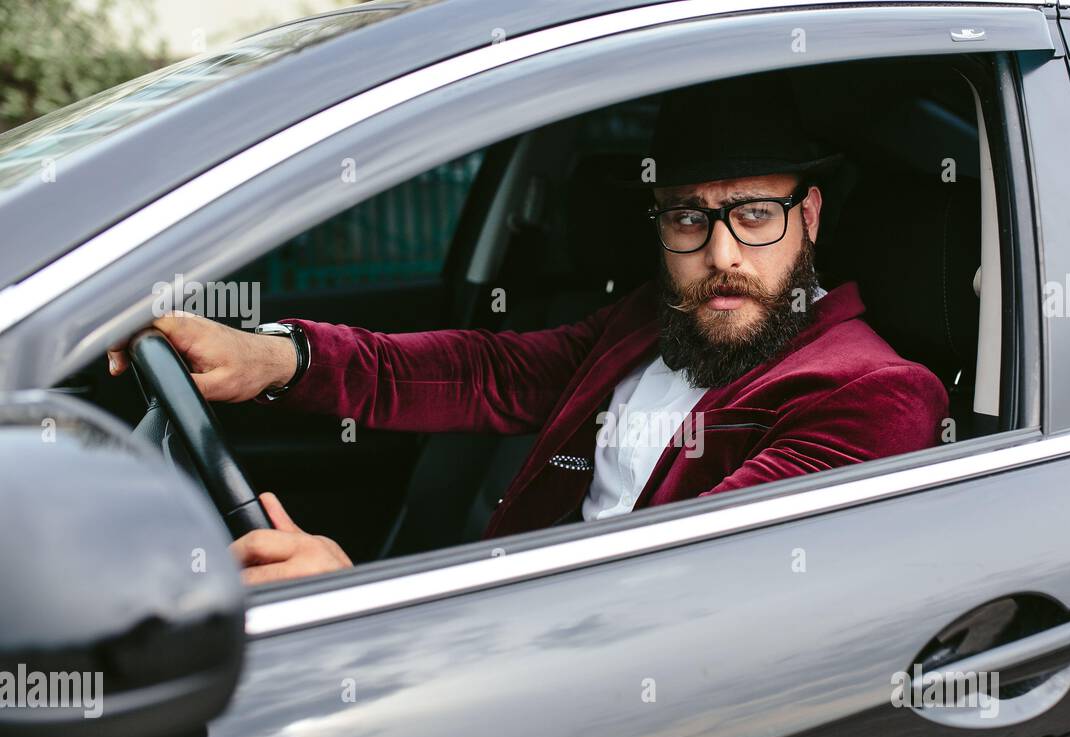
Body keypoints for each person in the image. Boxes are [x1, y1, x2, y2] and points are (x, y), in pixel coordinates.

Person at [109, 72, 948, 585]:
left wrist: (355, 608)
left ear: (811, 218)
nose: (721, 252)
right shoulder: (649, 326)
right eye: (687, 218)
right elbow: (479, 371)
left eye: (755, 214)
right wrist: (272, 355)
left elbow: (677, 595)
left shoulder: (873, 395)